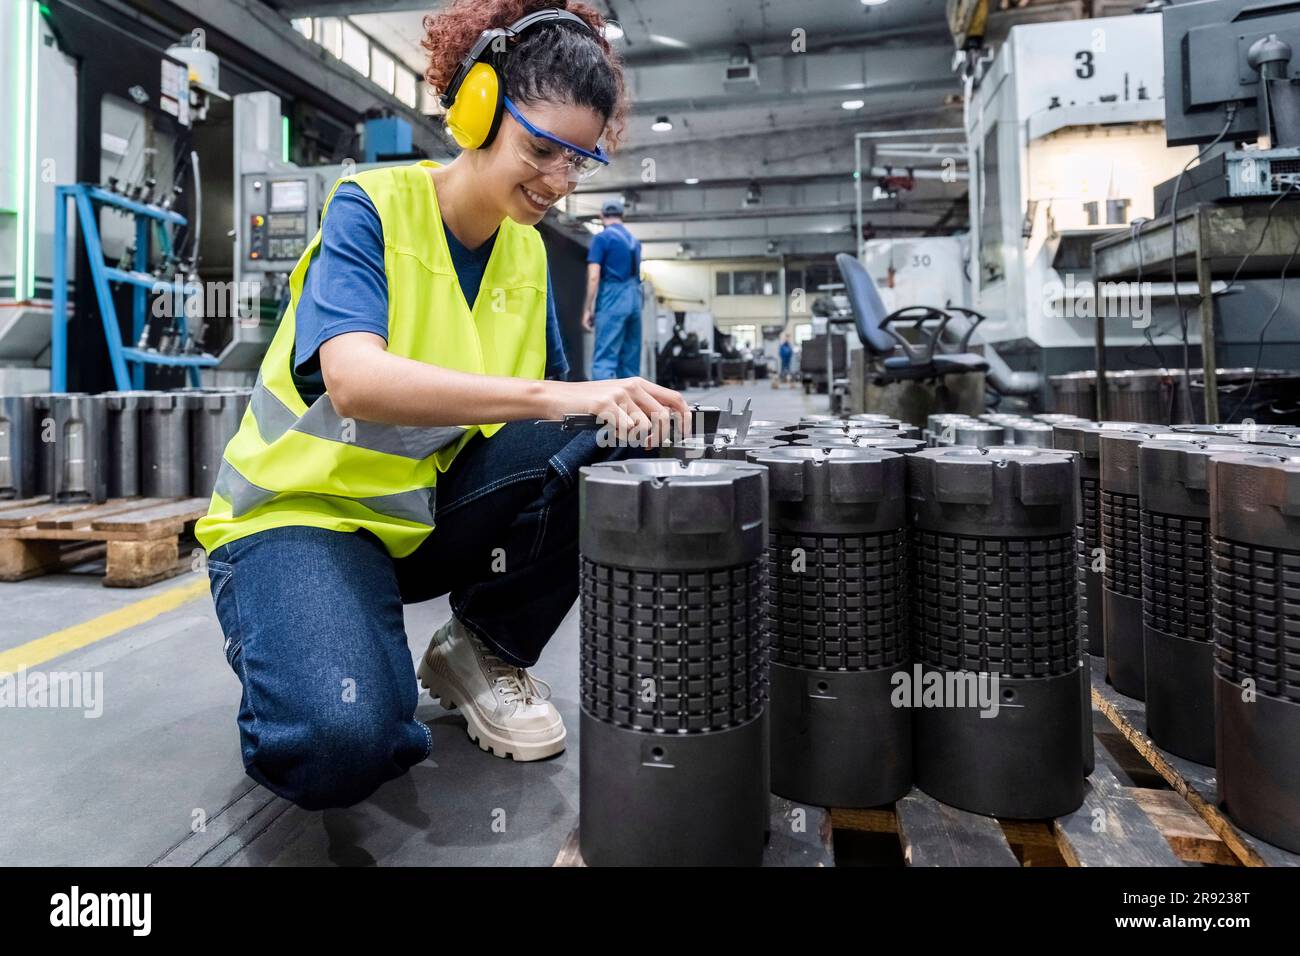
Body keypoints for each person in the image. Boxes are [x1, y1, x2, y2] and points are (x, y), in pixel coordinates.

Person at [194, 0, 688, 811]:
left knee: (615, 431)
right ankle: (316, 646)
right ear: (477, 108)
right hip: (301, 517)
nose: (559, 184)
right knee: (344, 744)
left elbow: (558, 430)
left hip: (422, 516)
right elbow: (354, 381)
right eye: (542, 150)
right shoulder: (370, 207)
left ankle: (481, 645)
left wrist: (619, 411)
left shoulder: (525, 254)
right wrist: (563, 392)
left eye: (581, 163)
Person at [582, 198, 643, 379]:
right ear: (623, 216)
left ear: (601, 216)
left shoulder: (602, 238)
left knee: (605, 357)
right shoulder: (634, 241)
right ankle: (630, 406)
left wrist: (587, 309)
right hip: (635, 298)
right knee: (630, 360)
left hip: (613, 297)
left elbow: (594, 276)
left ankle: (604, 407)